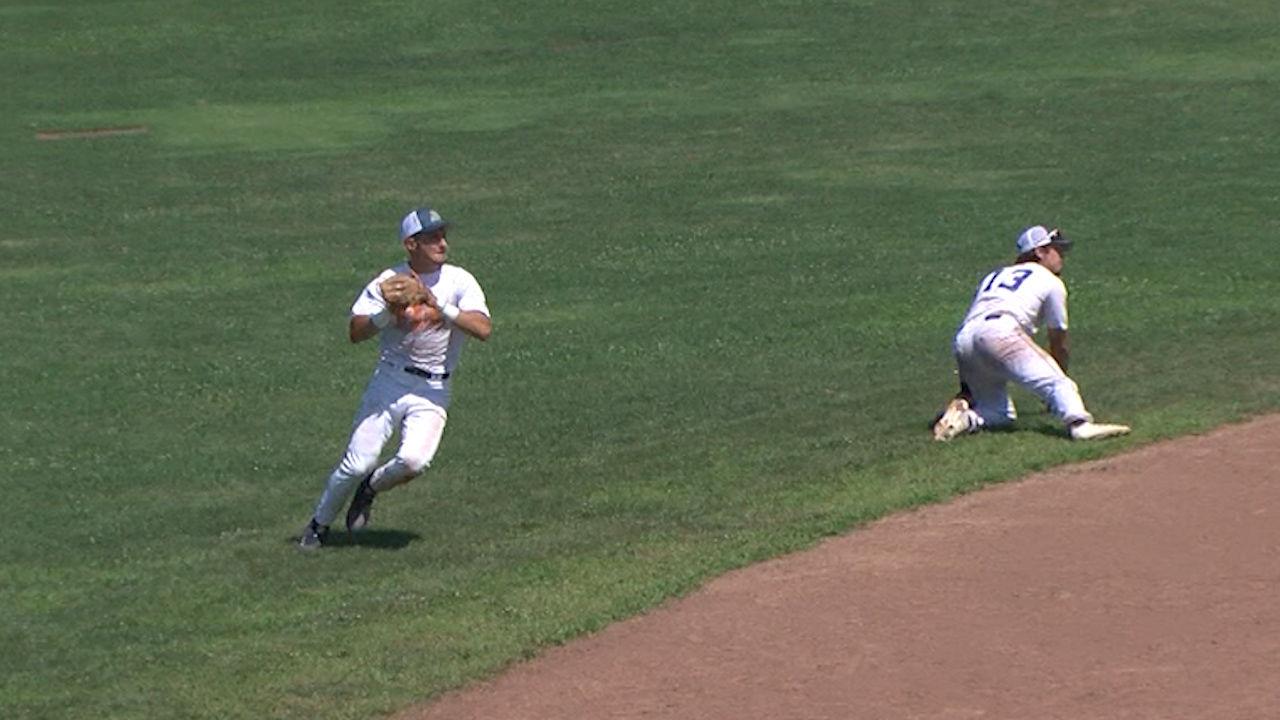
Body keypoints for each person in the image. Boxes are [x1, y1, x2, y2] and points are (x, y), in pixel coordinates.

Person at [299, 206, 492, 551]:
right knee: (357, 461)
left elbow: (482, 329)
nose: (442, 243)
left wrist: (438, 304)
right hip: (390, 382)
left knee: (414, 462)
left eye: (443, 235)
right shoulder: (388, 282)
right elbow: (356, 332)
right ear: (410, 244)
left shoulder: (459, 281)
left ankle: (371, 488)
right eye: (432, 237)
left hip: (434, 387)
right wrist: (387, 312)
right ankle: (319, 523)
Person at [931, 225, 1130, 442]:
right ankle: (1079, 425)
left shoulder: (995, 274)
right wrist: (1059, 377)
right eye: (1056, 250)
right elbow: (1058, 339)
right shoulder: (1050, 280)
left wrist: (967, 386)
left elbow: (977, 324)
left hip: (965, 338)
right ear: (1040, 251)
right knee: (1060, 383)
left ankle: (964, 418)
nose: (1061, 256)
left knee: (999, 414)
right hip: (1001, 332)